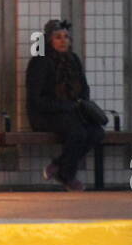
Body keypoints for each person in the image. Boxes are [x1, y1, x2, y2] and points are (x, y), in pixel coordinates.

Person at [26, 18, 104, 191]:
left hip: (71, 112)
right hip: (45, 115)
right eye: (58, 37)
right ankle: (67, 175)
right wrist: (65, 106)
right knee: (77, 132)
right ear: (49, 40)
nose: (63, 41)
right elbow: (36, 99)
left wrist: (81, 105)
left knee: (96, 132)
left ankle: (58, 166)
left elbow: (84, 88)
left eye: (66, 37)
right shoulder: (40, 62)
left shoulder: (73, 60)